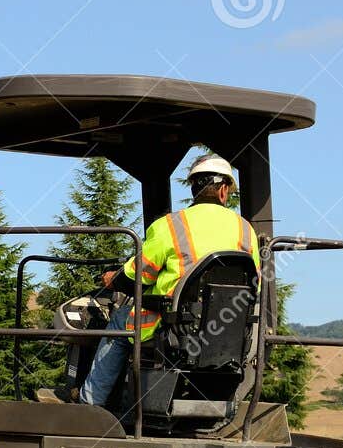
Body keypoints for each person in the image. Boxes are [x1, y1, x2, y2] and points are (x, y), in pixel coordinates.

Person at [79, 153, 260, 408]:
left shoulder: (171, 225)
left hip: (174, 330)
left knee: (120, 322)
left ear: (194, 188)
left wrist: (113, 278)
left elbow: (138, 275)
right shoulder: (246, 230)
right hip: (227, 332)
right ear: (223, 190)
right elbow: (255, 285)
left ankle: (90, 405)